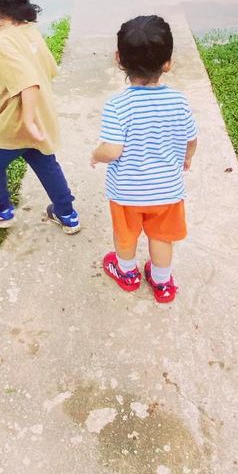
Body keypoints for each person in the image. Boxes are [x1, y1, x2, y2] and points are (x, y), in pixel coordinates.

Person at [91, 16, 197, 304]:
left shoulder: (118, 105)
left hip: (127, 193)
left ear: (119, 59)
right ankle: (162, 283)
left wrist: (95, 155)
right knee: (161, 237)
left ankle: (127, 273)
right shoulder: (179, 102)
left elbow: (112, 150)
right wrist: (186, 159)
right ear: (168, 63)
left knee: (125, 236)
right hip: (167, 191)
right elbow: (191, 140)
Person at [0, 0, 80, 234]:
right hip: (40, 112)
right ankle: (67, 213)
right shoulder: (29, 29)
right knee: (44, 160)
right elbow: (48, 70)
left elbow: (28, 83)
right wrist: (36, 118)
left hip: (19, 118)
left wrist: (27, 120)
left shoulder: (2, 41)